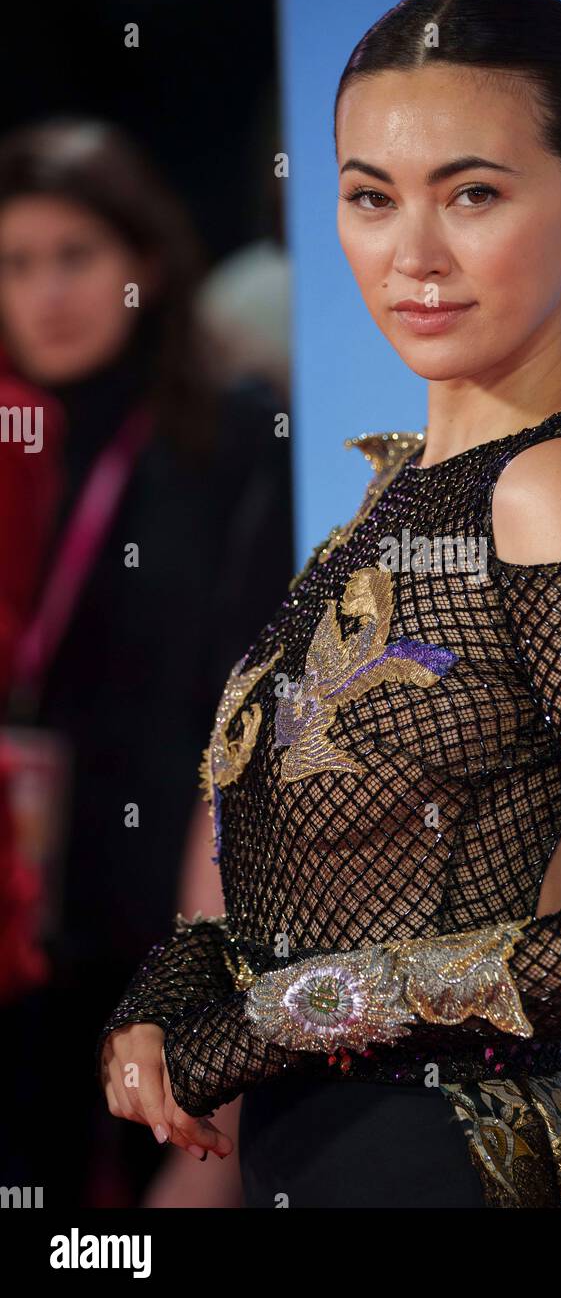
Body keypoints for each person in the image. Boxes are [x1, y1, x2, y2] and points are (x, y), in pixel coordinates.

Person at [96, 0, 561, 1209]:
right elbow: (325, 879)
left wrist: (266, 1018)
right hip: (333, 1159)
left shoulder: (550, 485)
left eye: (472, 193)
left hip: (447, 1160)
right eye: (368, 197)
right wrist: (181, 985)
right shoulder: (402, 498)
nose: (414, 256)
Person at [0, 117, 291, 1207]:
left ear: (147, 266)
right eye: (15, 265)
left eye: (75, 258)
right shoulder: (10, 433)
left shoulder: (229, 432)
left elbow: (249, 718)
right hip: (23, 902)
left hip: (155, 912)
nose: (45, 294)